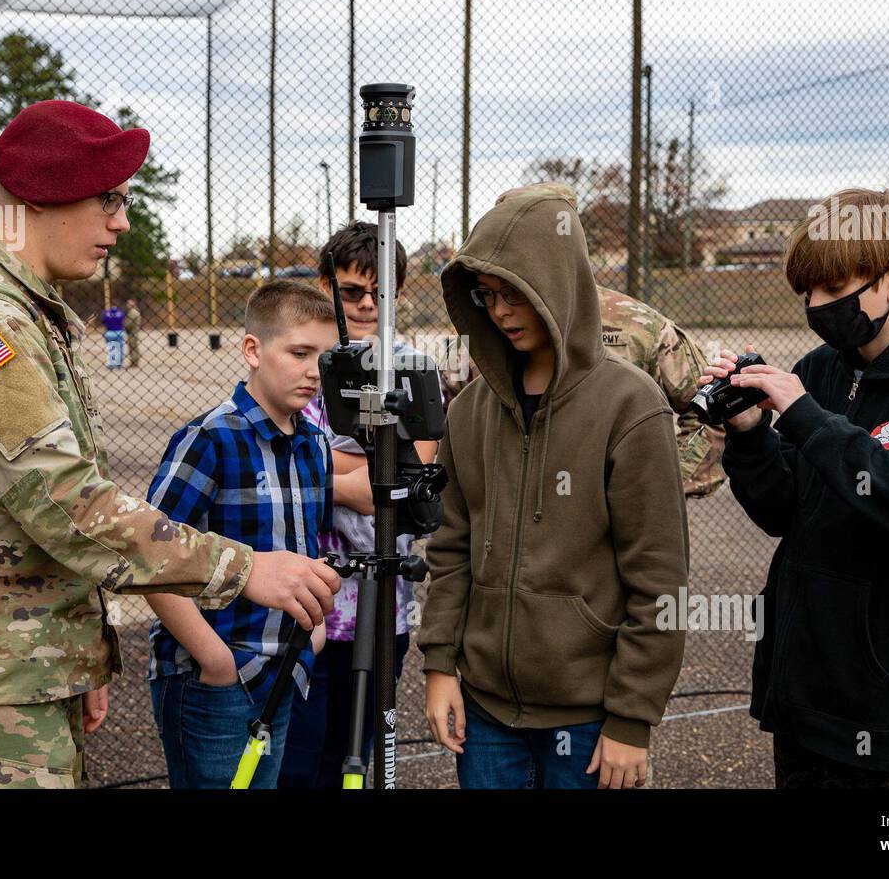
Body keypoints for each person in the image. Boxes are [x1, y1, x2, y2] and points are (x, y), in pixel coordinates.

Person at [0, 100, 339, 789]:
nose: (121, 222)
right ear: (44, 195)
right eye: (109, 199)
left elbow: (28, 517)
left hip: (21, 672)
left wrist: (74, 655)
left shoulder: (27, 314)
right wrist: (244, 570)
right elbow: (63, 502)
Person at [704, 188, 889, 787]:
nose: (816, 305)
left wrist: (811, 421)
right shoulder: (821, 369)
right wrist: (751, 431)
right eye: (808, 291)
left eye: (834, 289)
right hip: (807, 697)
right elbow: (782, 511)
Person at [420, 183, 690, 789]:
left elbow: (659, 580)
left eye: (516, 294)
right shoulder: (468, 411)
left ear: (558, 285)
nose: (500, 312)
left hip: (593, 720)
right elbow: (451, 550)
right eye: (488, 296)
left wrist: (632, 718)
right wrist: (440, 666)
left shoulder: (631, 407)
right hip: (485, 713)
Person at [145, 281, 338, 788]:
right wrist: (216, 660)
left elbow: (308, 548)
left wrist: (312, 634)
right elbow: (151, 556)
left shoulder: (315, 445)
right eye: (299, 352)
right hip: (214, 682)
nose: (315, 371)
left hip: (283, 672)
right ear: (252, 350)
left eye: (325, 356)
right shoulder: (210, 439)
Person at [276, 222, 438, 789]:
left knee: (352, 760)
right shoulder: (299, 365)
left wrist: (319, 467)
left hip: (378, 606)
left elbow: (403, 483)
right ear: (325, 286)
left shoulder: (415, 371)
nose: (368, 305)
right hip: (303, 603)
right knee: (295, 760)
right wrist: (349, 474)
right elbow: (279, 463)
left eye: (382, 293)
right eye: (351, 292)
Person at [441, 182, 726, 498]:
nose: (500, 310)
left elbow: (711, 415)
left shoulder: (639, 327)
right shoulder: (482, 333)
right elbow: (443, 430)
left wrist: (644, 487)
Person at [101, 303, 126, 368]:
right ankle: (120, 364)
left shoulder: (106, 313)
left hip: (110, 332)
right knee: (120, 349)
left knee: (112, 348)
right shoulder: (121, 312)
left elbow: (103, 322)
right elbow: (123, 321)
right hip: (119, 332)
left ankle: (111, 364)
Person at [124, 297, 142, 367]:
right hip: (134, 332)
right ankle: (134, 361)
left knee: (133, 347)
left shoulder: (132, 312)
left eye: (128, 304)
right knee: (134, 347)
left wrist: (124, 326)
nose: (127, 305)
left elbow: (129, 324)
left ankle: (134, 362)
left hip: (132, 332)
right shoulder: (135, 311)